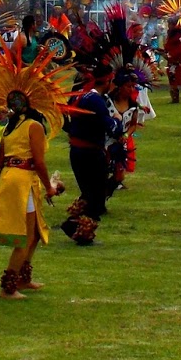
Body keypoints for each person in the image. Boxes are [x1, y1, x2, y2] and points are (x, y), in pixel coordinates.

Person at [0, 88, 56, 299]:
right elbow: (39, 162)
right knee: (25, 235)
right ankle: (9, 286)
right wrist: (50, 186)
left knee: (33, 233)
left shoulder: (10, 128)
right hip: (22, 181)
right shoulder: (33, 126)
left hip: (11, 177)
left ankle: (23, 278)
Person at [61, 67, 120, 246]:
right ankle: (79, 230)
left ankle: (75, 226)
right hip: (91, 153)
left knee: (89, 192)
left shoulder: (79, 95)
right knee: (95, 194)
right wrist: (117, 119)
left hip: (77, 151)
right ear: (108, 81)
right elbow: (112, 128)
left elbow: (66, 123)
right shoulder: (95, 100)